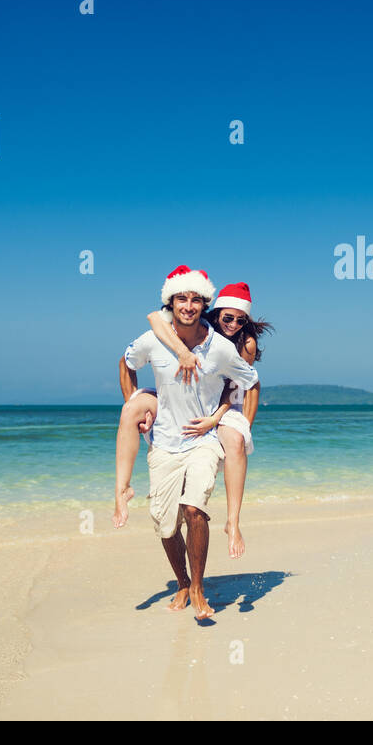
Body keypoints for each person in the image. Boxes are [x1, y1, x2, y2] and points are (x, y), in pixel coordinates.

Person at [115, 266, 259, 620]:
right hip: (164, 441)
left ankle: (197, 587)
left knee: (195, 510)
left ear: (204, 304)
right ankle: (181, 581)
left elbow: (251, 381)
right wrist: (135, 403)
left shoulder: (222, 348)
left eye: (196, 299)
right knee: (165, 525)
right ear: (172, 302)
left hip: (203, 439)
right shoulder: (153, 339)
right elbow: (126, 362)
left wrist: (240, 425)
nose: (189, 306)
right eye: (182, 298)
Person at [136, 282, 271, 559]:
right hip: (194, 403)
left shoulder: (244, 343)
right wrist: (183, 353)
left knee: (234, 439)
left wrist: (222, 421)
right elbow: (154, 318)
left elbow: (239, 386)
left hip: (228, 403)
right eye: (228, 318)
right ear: (217, 312)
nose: (233, 324)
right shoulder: (197, 327)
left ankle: (233, 522)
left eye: (240, 319)